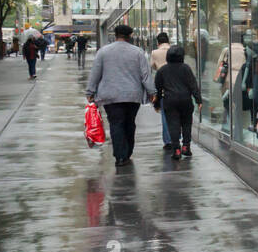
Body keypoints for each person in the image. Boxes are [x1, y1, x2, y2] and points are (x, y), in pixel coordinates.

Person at [86, 23, 156, 166]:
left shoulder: (103, 52)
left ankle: (119, 156)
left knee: (116, 124)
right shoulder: (137, 52)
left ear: (115, 35)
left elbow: (95, 73)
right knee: (129, 123)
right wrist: (151, 92)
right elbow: (145, 75)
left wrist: (90, 91)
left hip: (110, 95)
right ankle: (128, 152)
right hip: (132, 95)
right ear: (130, 36)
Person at [153, 44, 202, 160]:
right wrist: (198, 100)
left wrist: (157, 103)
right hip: (186, 100)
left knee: (173, 124)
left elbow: (158, 89)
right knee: (186, 123)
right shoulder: (186, 68)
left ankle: (176, 149)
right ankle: (186, 146)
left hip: (170, 100)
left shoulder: (162, 70)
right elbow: (193, 85)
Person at [149, 32, 173, 149]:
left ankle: (168, 141)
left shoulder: (155, 52)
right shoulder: (174, 50)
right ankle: (176, 137)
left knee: (165, 114)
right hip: (175, 82)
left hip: (162, 83)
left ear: (158, 42)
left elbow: (152, 66)